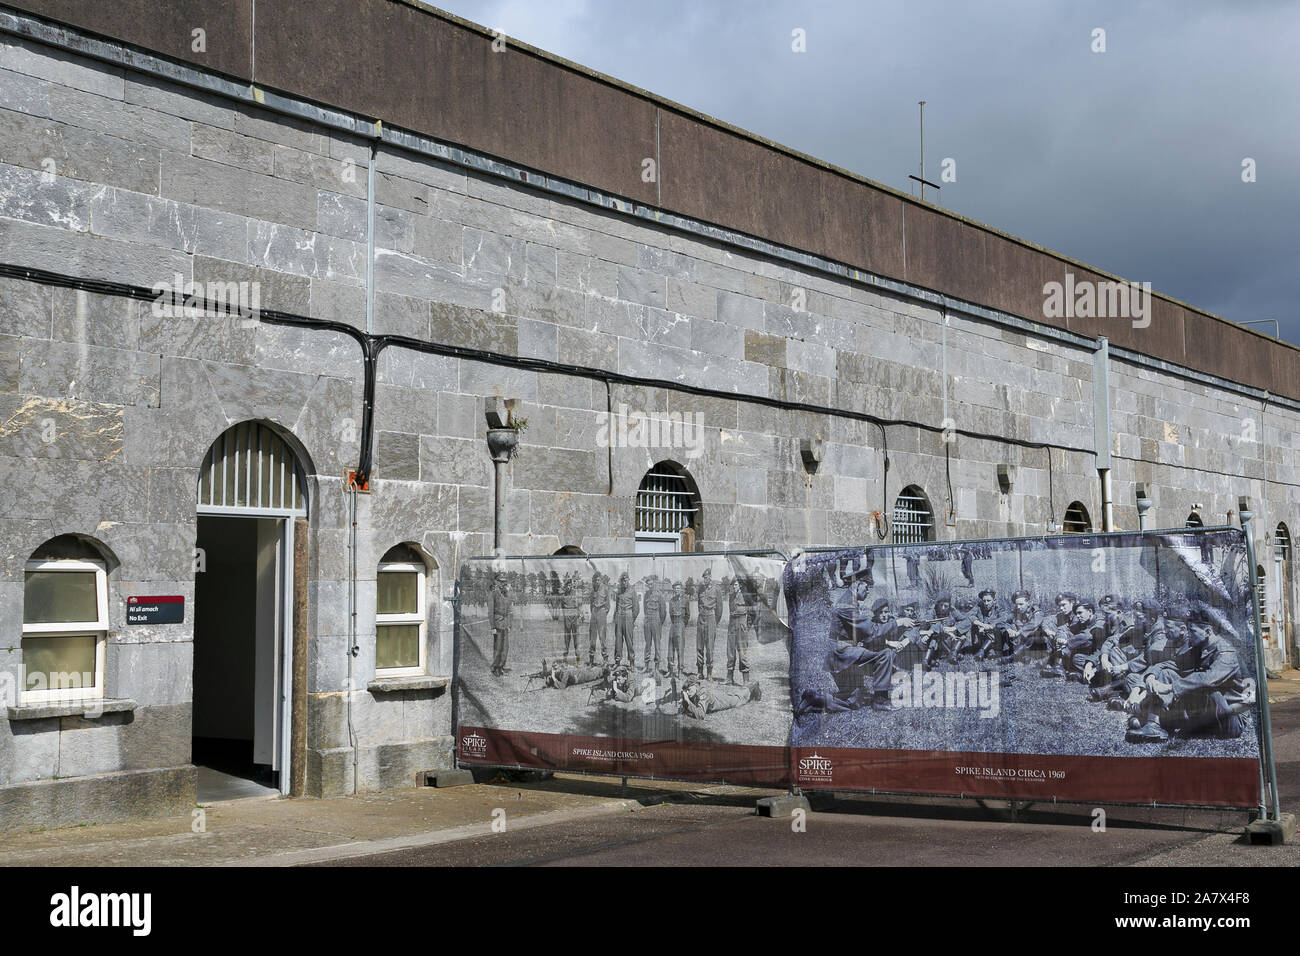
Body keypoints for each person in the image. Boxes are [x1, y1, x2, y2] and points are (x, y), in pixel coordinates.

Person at [1123, 611, 1252, 742]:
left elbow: (1207, 679)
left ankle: (1154, 718)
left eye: (1192, 631)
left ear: (1207, 632)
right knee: (1167, 673)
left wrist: (1169, 687)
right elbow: (1170, 664)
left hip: (1230, 717)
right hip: (1208, 712)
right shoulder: (1199, 648)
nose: (1189, 635)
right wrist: (1150, 677)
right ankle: (1153, 724)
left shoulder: (1226, 652)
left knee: (1206, 688)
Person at [1089, 599, 1159, 701]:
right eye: (1134, 617)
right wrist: (1104, 658)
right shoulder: (1137, 629)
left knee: (1132, 678)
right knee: (1115, 651)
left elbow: (1148, 658)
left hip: (1151, 671)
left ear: (1151, 621)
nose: (1135, 621)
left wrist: (1123, 667)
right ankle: (1116, 688)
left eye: (1138, 618)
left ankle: (1113, 688)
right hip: (1133, 670)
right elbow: (1111, 640)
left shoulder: (1159, 634)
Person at [680, 674, 762, 719]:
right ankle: (748, 687)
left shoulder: (703, 693)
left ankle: (753, 685)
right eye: (686, 690)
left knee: (738, 698)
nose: (687, 692)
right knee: (735, 693)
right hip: (717, 696)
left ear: (695, 685)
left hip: (723, 701)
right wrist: (685, 700)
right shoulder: (695, 690)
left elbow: (701, 715)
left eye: (689, 689)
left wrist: (687, 701)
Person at [724, 578, 755, 684]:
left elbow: (752, 613)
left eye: (736, 585)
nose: (734, 587)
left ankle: (746, 680)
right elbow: (731, 610)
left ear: (740, 586)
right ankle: (729, 678)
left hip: (742, 623)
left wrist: (746, 626)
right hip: (732, 623)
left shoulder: (746, 596)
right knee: (730, 651)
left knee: (742, 652)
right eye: (733, 585)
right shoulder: (731, 596)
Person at [965, 589, 1010, 659]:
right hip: (981, 636)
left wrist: (990, 625)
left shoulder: (998, 608)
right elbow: (969, 615)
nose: (986, 603)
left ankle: (988, 651)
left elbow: (1004, 618)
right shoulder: (979, 606)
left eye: (989, 601)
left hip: (995, 638)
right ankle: (981, 649)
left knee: (997, 627)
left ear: (994, 600)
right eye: (984, 601)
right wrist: (981, 625)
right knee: (974, 625)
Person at [695, 567, 724, 678]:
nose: (704, 580)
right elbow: (699, 603)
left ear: (710, 577)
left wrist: (714, 622)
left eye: (706, 577)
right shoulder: (701, 589)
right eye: (704, 578)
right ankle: (700, 671)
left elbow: (720, 609)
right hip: (701, 618)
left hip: (711, 618)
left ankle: (709, 673)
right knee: (699, 645)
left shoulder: (716, 589)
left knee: (709, 647)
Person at [612, 571, 640, 667]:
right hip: (619, 616)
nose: (624, 582)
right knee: (618, 640)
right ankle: (617, 661)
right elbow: (616, 605)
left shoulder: (632, 591)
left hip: (628, 616)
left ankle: (631, 662)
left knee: (629, 640)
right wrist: (615, 617)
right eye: (622, 580)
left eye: (626, 580)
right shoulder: (619, 591)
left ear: (628, 580)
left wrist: (632, 619)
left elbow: (636, 608)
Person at [488, 572, 512, 676]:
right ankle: (495, 667)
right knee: (498, 647)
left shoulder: (505, 593)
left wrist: (509, 624)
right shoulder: (493, 593)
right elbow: (490, 611)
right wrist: (492, 626)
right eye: (500, 581)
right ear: (496, 582)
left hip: (505, 623)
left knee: (505, 647)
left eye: (504, 582)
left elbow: (509, 608)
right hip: (497, 623)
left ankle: (501, 665)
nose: (503, 583)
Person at [641, 574, 667, 673]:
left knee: (657, 645)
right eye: (648, 585)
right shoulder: (646, 594)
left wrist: (660, 623)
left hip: (656, 621)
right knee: (647, 644)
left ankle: (656, 667)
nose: (650, 586)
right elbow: (644, 608)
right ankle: (646, 665)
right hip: (647, 620)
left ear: (654, 583)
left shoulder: (659, 594)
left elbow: (663, 611)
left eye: (651, 584)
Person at [666, 579, 690, 675]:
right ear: (674, 590)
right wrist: (674, 622)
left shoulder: (685, 600)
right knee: (670, 647)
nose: (677, 590)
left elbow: (688, 615)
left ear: (681, 589)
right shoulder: (672, 601)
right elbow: (671, 614)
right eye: (675, 588)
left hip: (680, 624)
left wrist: (683, 624)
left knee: (680, 648)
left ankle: (680, 670)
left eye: (678, 588)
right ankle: (670, 669)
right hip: (673, 624)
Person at [587, 571, 610, 665]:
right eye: (595, 580)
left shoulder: (605, 589)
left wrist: (603, 613)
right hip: (594, 613)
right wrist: (593, 613)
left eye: (598, 580)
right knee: (592, 638)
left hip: (602, 613)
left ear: (600, 580)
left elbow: (608, 605)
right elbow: (591, 604)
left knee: (602, 637)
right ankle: (591, 660)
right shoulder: (593, 591)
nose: (597, 582)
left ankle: (605, 659)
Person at [559, 574, 581, 661]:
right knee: (567, 639)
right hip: (567, 618)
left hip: (574, 618)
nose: (568, 587)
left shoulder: (576, 594)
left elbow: (579, 606)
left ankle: (578, 658)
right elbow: (562, 607)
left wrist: (578, 615)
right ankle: (565, 658)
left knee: (576, 638)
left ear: (571, 586)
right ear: (565, 586)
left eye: (570, 585)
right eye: (567, 585)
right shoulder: (563, 596)